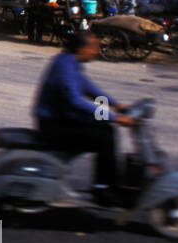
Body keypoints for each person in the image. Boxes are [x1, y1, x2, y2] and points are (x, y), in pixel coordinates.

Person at [34, 32, 136, 197]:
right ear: (82, 48)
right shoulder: (64, 66)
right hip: (52, 125)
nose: (96, 51)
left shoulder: (71, 62)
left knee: (105, 128)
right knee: (105, 136)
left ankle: (105, 184)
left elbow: (89, 88)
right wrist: (114, 117)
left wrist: (115, 104)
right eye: (93, 47)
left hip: (61, 118)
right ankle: (103, 188)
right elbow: (75, 100)